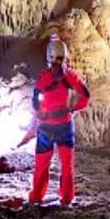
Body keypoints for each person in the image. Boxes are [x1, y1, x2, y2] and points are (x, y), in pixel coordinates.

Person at [27, 33, 90, 207]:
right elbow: (86, 96)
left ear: (48, 57)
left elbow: (35, 102)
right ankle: (67, 197)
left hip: (46, 129)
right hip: (65, 127)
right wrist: (72, 109)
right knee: (67, 164)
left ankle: (36, 197)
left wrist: (41, 114)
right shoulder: (70, 76)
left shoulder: (43, 77)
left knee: (41, 164)